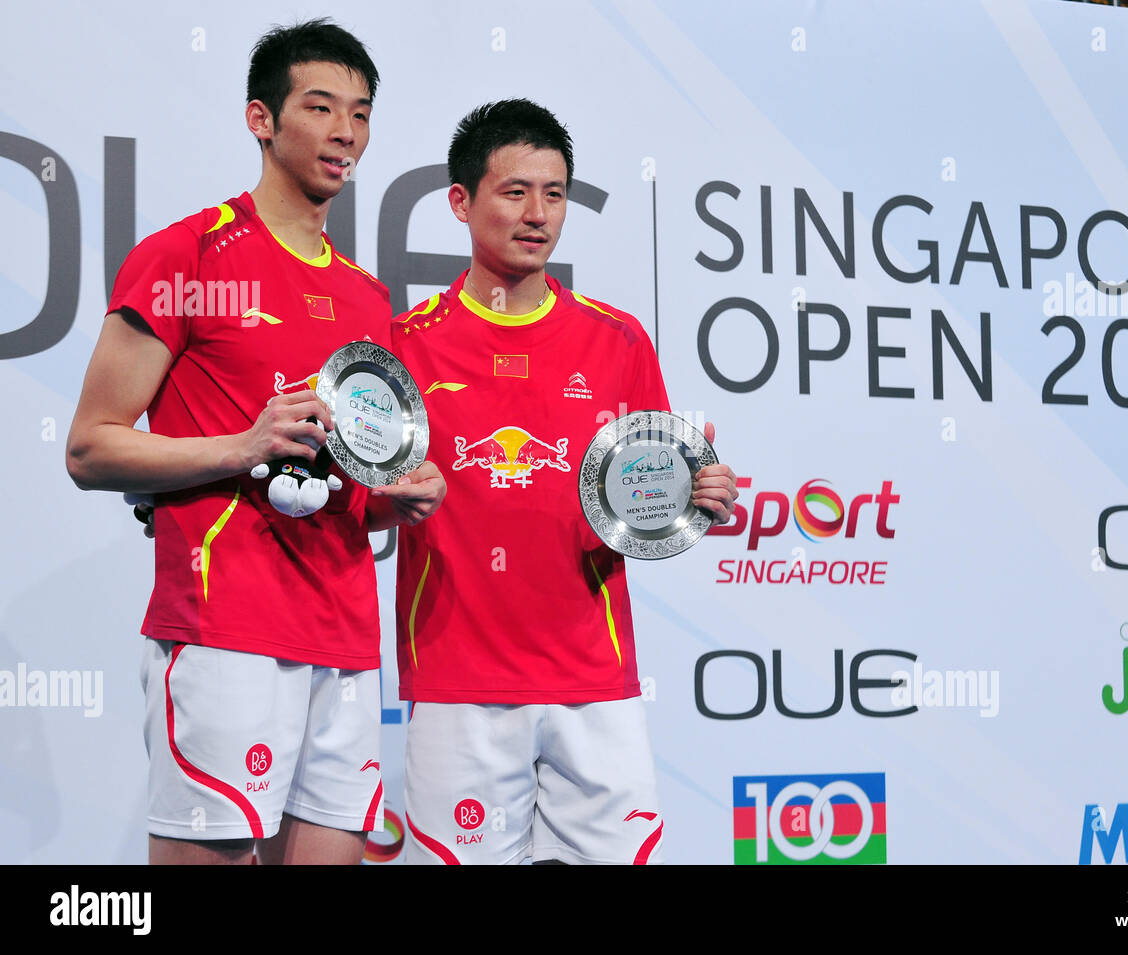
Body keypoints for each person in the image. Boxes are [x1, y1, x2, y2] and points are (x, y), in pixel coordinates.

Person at [65, 19, 445, 865]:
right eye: (319, 106)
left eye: (361, 112)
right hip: (223, 628)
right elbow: (90, 447)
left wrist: (396, 495)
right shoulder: (187, 253)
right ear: (260, 120)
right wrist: (242, 445)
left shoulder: (365, 299)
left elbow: (346, 488)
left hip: (345, 637)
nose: (345, 131)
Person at [391, 99, 738, 865]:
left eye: (554, 193)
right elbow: (367, 503)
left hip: (594, 679)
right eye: (515, 191)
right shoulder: (404, 347)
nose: (537, 213)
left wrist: (698, 499)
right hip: (459, 681)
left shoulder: (617, 340)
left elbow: (646, 504)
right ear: (460, 201)